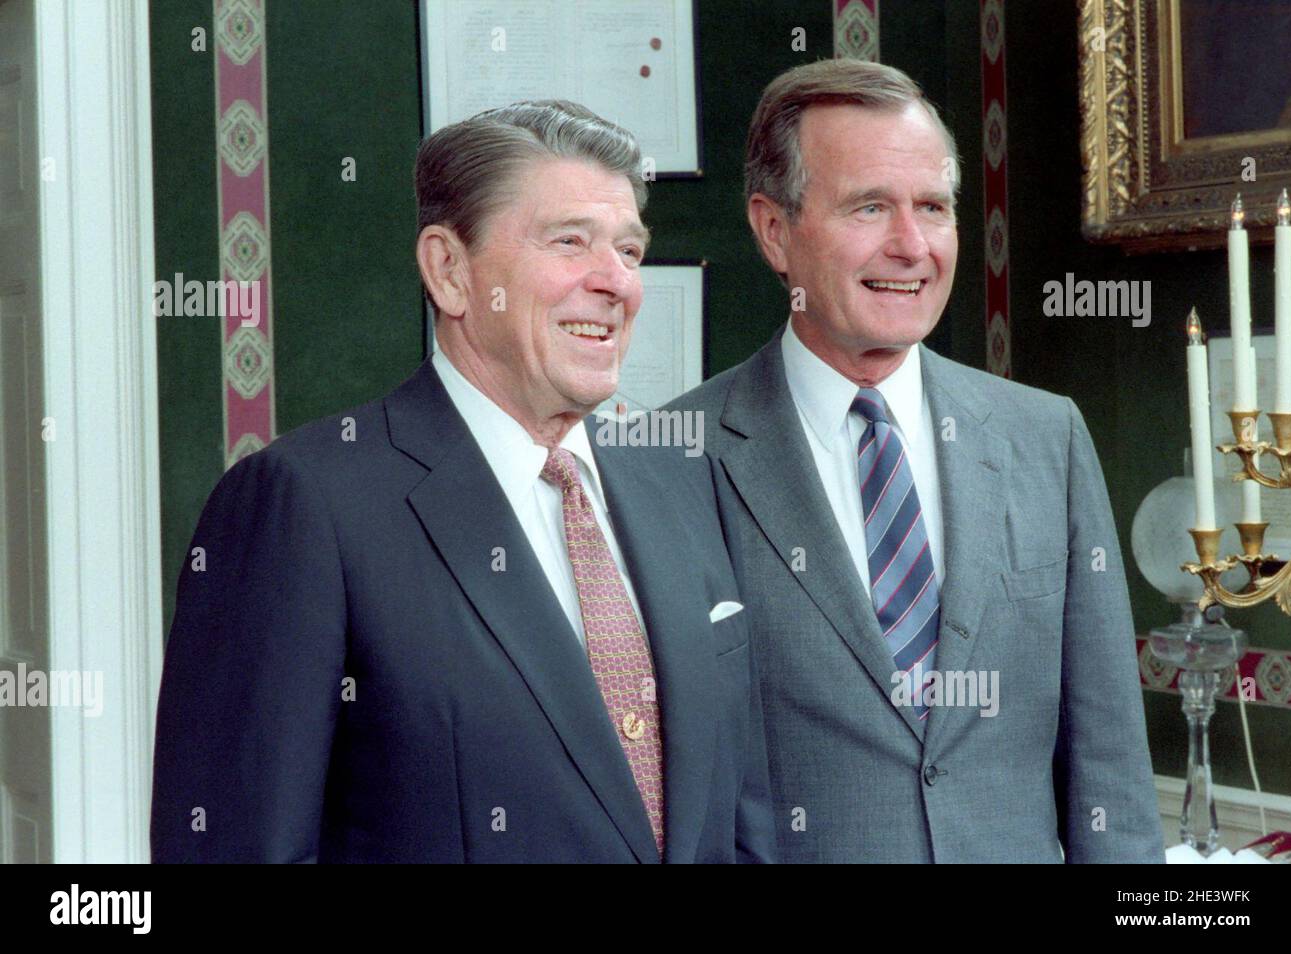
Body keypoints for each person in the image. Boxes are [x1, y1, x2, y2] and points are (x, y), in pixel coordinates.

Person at [151, 100, 775, 863]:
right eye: (570, 241)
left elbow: (745, 824)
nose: (616, 283)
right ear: (450, 271)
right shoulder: (305, 505)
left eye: (630, 251)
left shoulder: (683, 484)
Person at [665, 60, 1164, 863]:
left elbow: (1113, 779)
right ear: (774, 230)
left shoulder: (1048, 437)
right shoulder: (671, 461)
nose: (911, 246)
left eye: (933, 208)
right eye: (869, 207)